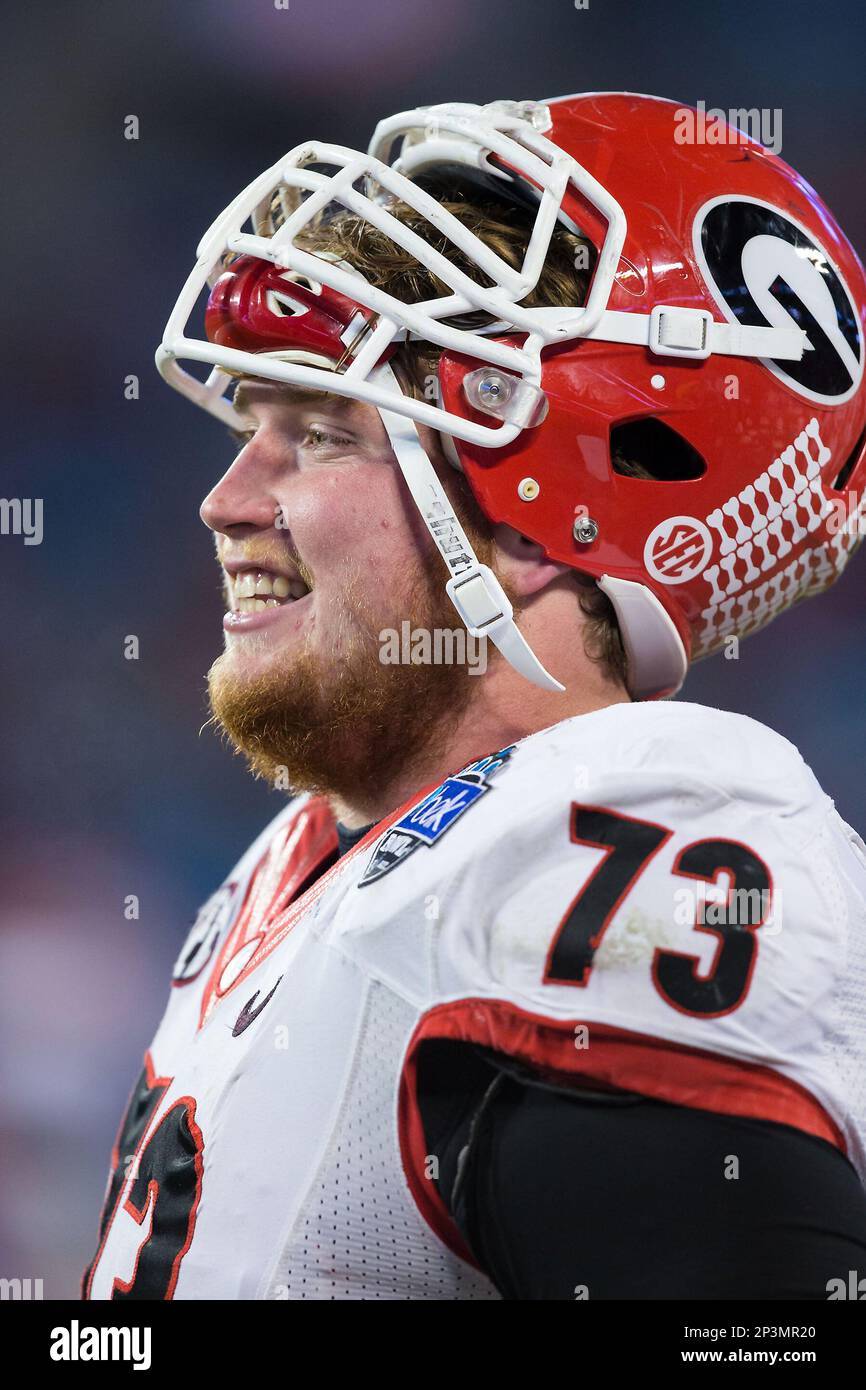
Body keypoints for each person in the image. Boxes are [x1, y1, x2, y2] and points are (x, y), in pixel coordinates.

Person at [84, 93, 866, 1300]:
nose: (228, 499)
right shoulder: (319, 851)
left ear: (556, 510)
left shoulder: (607, 859)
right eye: (253, 420)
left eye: (327, 430)